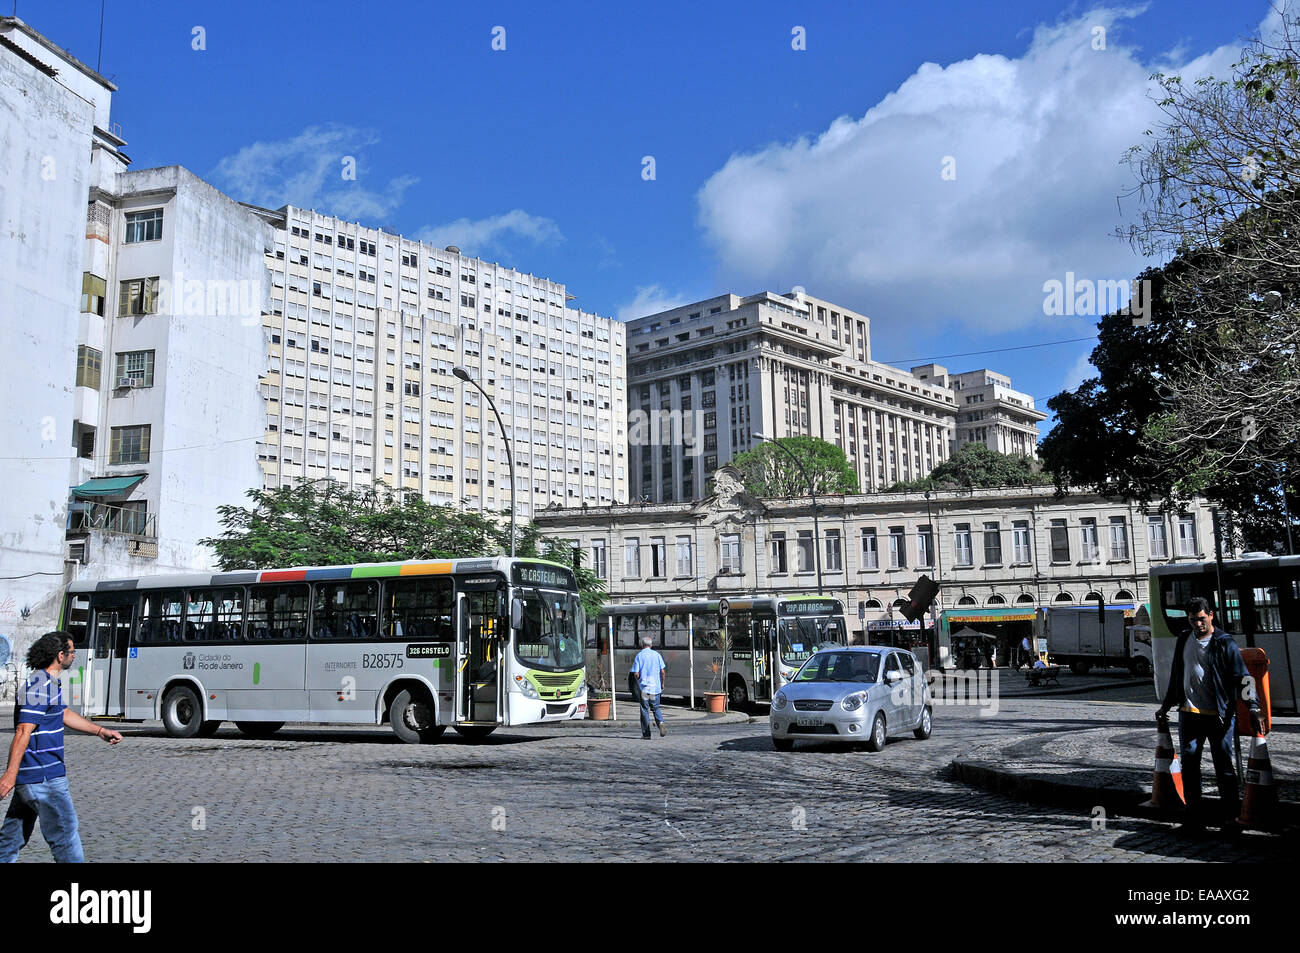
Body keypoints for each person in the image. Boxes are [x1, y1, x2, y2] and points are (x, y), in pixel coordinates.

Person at [1, 631, 123, 863]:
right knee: (66, 838)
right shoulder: (39, 686)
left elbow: (63, 713)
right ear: (60, 655)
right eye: (72, 651)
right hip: (45, 777)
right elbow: (23, 731)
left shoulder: (46, 683)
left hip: (31, 779)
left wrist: (100, 731)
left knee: (10, 841)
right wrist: (9, 775)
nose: (74, 655)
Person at [1155, 598, 1264, 834]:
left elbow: (1243, 677)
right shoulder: (1184, 639)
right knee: (1190, 766)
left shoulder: (1224, 643)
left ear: (1211, 615)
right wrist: (1166, 706)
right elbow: (1177, 676)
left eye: (1202, 619)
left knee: (1224, 767)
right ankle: (1194, 818)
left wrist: (1253, 707)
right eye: (1193, 620)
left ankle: (1230, 817)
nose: (1198, 624)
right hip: (1189, 713)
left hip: (1219, 716)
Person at [629, 634, 667, 739]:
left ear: (642, 645)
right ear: (651, 645)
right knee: (655, 708)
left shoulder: (639, 656)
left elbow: (636, 673)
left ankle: (646, 734)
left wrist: (639, 680)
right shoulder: (657, 655)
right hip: (655, 688)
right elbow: (662, 671)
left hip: (644, 689)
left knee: (645, 709)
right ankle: (661, 723)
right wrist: (662, 683)